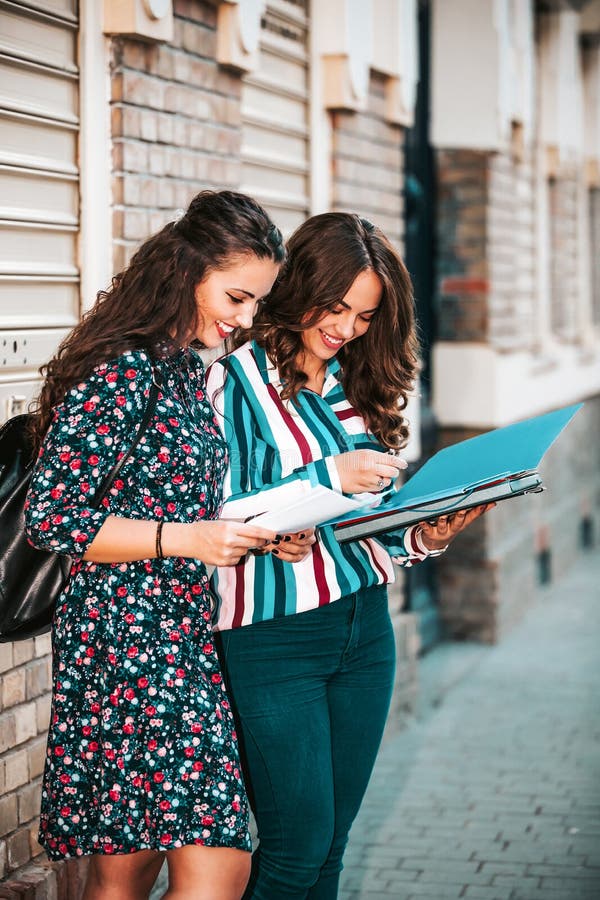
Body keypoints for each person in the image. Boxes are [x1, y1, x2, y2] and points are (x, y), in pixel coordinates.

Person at [205, 212, 494, 900]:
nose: (347, 328)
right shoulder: (231, 383)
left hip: (365, 630)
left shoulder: (355, 385)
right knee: (293, 847)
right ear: (297, 286)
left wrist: (431, 532)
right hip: (273, 640)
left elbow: (371, 528)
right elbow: (210, 510)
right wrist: (313, 489)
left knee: (332, 843)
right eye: (334, 308)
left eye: (364, 317)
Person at [24, 190, 285, 900]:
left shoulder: (182, 367)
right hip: (125, 643)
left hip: (180, 635)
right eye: (236, 297)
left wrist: (251, 536)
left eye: (257, 303)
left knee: (131, 872)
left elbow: (175, 500)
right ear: (186, 270)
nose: (245, 319)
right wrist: (189, 538)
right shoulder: (121, 371)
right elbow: (52, 517)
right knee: (192, 868)